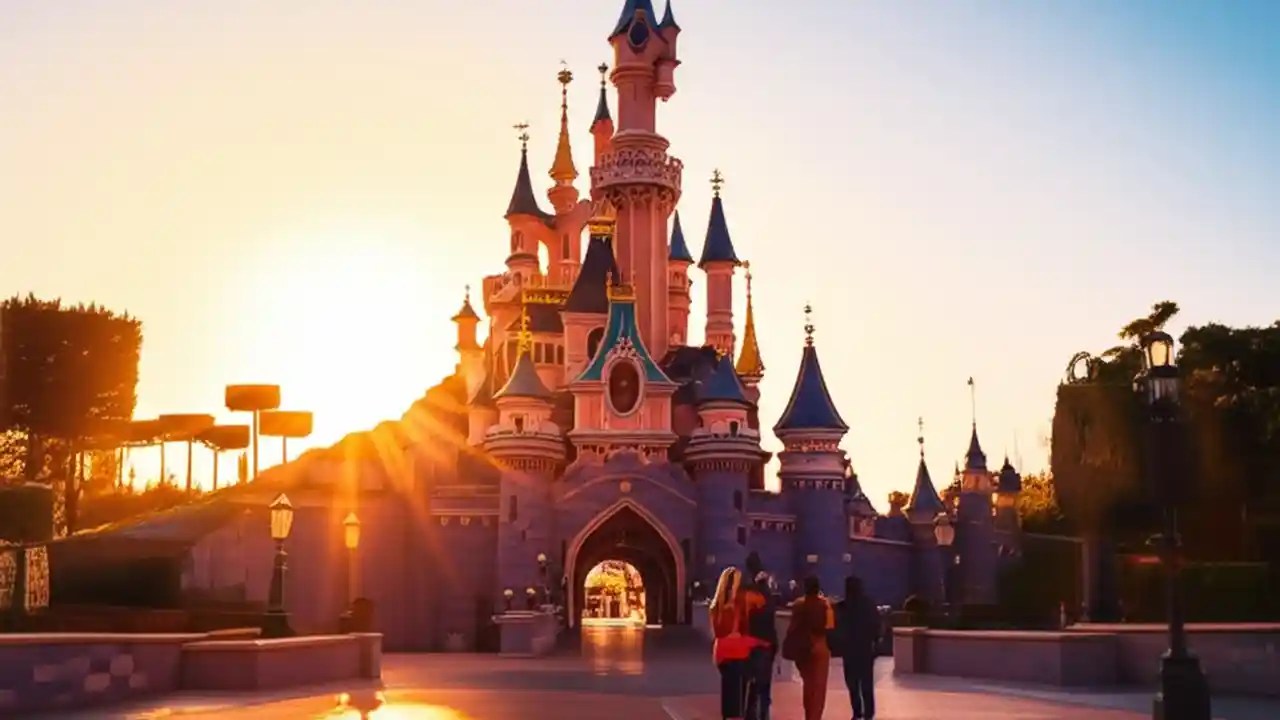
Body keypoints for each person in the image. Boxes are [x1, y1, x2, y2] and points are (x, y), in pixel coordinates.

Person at [710, 566, 763, 720]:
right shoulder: (738, 605)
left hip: (721, 652)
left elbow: (718, 633)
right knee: (739, 699)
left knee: (728, 694)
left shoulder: (715, 606)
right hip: (737, 653)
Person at [783, 576, 834, 720]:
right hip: (819, 645)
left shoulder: (798, 604)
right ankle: (815, 717)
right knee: (819, 688)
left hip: (803, 648)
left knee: (808, 685)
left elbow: (793, 626)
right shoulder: (824, 604)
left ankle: (808, 715)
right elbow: (830, 626)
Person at [836, 575, 880, 720]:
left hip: (849, 650)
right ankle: (869, 712)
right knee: (867, 682)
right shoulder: (869, 604)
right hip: (866, 648)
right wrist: (875, 640)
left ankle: (856, 711)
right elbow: (876, 624)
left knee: (852, 683)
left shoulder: (842, 606)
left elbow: (838, 628)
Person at [742, 553, 778, 720]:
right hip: (767, 643)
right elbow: (770, 616)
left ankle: (751, 714)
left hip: (753, 643)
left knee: (753, 682)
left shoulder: (748, 591)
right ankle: (763, 714)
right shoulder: (766, 591)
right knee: (763, 684)